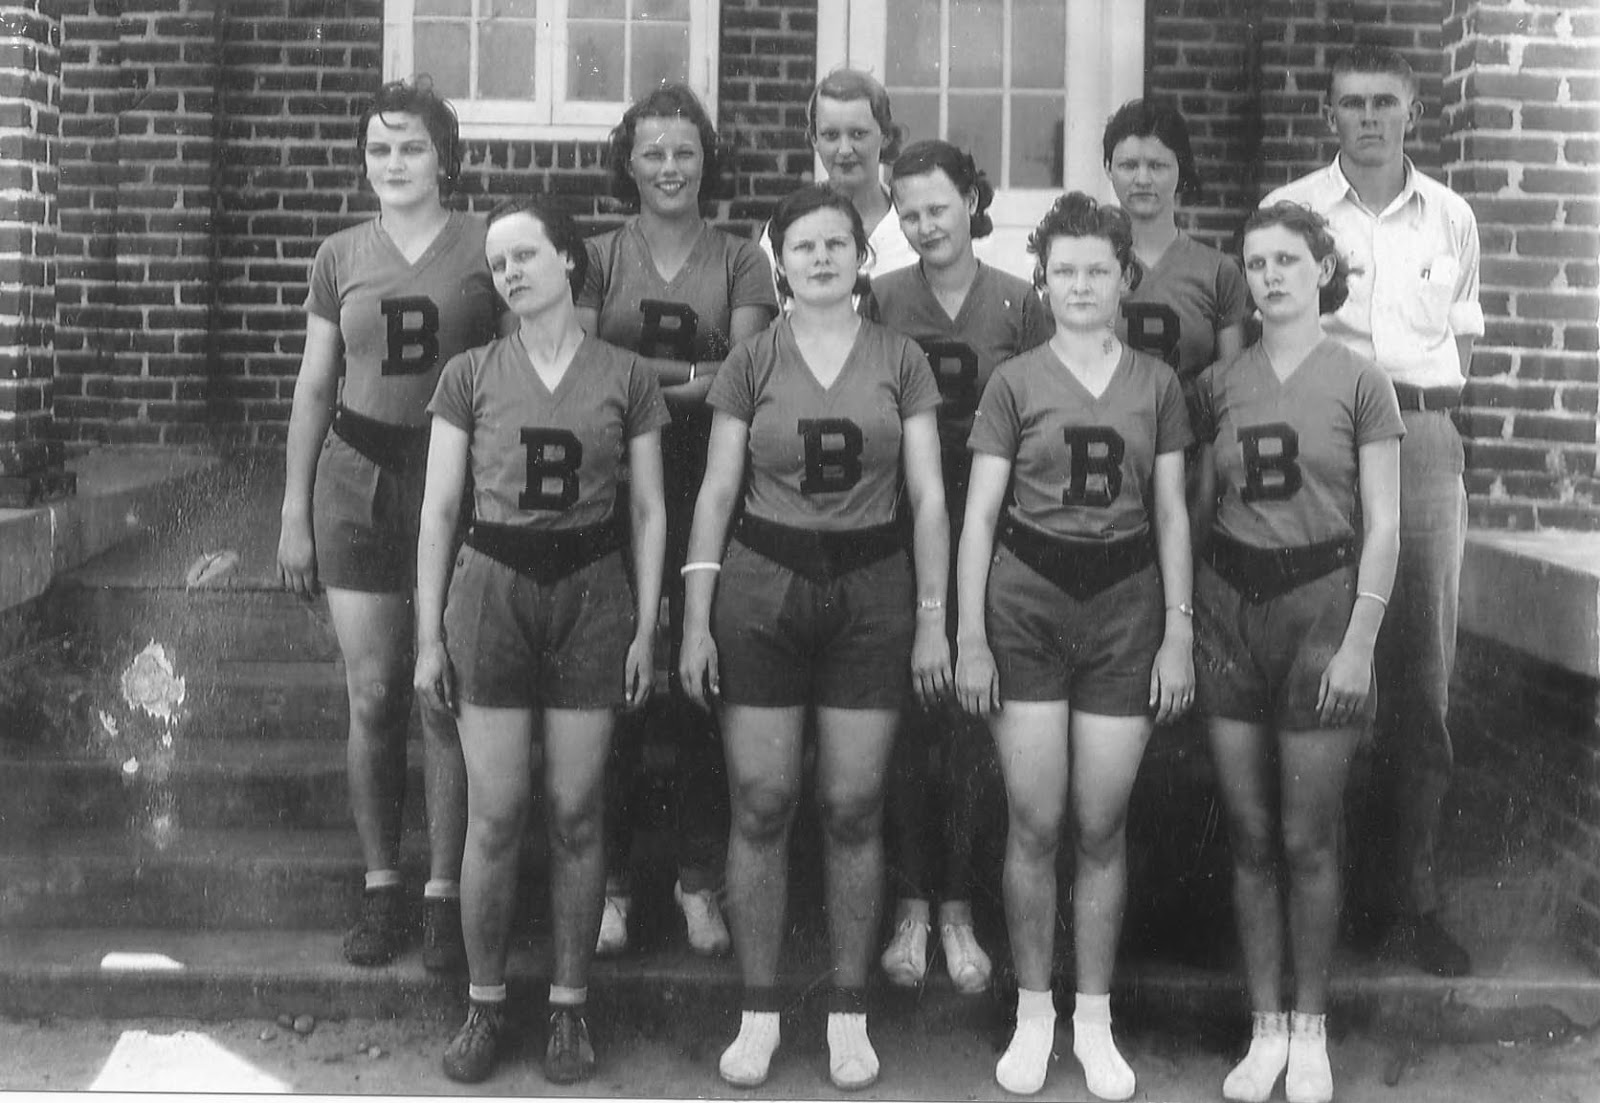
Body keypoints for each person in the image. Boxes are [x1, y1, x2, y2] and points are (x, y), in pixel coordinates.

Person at [678, 184, 949, 1091]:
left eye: (838, 243)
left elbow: (931, 498)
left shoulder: (900, 356)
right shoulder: (753, 357)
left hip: (872, 586)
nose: (822, 258)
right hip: (762, 584)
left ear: (861, 257)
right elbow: (717, 490)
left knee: (853, 805)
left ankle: (847, 1011)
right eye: (804, 246)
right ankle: (758, 1009)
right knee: (761, 799)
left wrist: (933, 620)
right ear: (780, 259)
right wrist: (695, 615)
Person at [413, 195, 668, 1085]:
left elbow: (646, 506)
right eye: (499, 264)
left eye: (527, 254)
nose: (512, 272)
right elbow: (442, 510)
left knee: (575, 811)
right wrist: (428, 637)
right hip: (492, 588)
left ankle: (569, 1006)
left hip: (593, 590)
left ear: (568, 258)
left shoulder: (625, 375)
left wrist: (646, 622)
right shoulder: (471, 374)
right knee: (496, 813)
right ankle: (484, 1007)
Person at [955, 193, 1194, 1100]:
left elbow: (1171, 513)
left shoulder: (1159, 383)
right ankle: (1033, 1009)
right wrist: (970, 635)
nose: (1083, 285)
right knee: (1035, 818)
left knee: (1100, 823)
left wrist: (1178, 632)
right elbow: (979, 516)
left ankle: (1092, 1016)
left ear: (1124, 278)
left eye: (1099, 269)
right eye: (1066, 271)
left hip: (1126, 604)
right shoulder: (1015, 380)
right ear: (1044, 279)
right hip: (1027, 603)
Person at [1264, 44, 1483, 978]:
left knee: (1421, 671)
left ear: (1411, 113)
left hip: (1423, 438)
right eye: (1351, 103)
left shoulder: (1452, 216)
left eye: (1385, 103)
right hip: (1328, 438)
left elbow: (1459, 341)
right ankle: (1329, 891)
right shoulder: (1297, 212)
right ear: (1329, 115)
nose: (1369, 119)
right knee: (1323, 656)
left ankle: (1411, 896)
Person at [275, 78, 498, 973]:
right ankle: (382, 883)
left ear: (444, 154)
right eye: (379, 149)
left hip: (456, 479)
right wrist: (295, 507)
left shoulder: (485, 244)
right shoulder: (340, 253)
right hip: (357, 476)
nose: (395, 163)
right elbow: (315, 385)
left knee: (441, 693)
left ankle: (446, 893)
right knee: (373, 694)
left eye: (411, 146)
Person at [1193, 200, 1403, 1103]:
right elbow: (1197, 510)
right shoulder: (1219, 382)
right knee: (1247, 833)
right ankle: (1265, 1024)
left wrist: (1360, 638)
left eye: (1287, 259)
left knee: (1308, 834)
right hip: (1232, 609)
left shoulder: (1361, 380)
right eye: (1256, 262)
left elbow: (1386, 524)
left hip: (1322, 607)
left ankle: (1311, 1026)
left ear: (1321, 269)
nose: (1271, 275)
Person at [577, 83, 778, 960]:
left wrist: (636, 373)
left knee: (701, 678)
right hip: (614, 476)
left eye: (685, 151)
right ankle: (614, 884)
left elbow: (739, 371)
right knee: (619, 676)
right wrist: (681, 372)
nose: (669, 167)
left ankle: (699, 880)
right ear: (628, 160)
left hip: (710, 471)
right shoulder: (596, 255)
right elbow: (581, 365)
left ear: (708, 160)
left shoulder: (741, 259)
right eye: (653, 151)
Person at [869, 139, 1052, 995]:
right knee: (910, 717)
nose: (924, 224)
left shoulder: (1019, 304)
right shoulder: (878, 299)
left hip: (994, 524)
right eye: (907, 212)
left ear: (973, 200)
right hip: (899, 523)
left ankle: (959, 905)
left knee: (976, 719)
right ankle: (909, 901)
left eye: (938, 207)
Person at [1103, 98, 1247, 388]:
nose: (1142, 179)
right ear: (1108, 168)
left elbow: (1231, 389)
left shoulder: (1217, 272)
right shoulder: (1088, 265)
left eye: (1157, 166)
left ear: (1180, 170)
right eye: (1128, 165)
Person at [760, 68, 919, 296]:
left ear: (885, 136)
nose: (845, 150)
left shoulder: (913, 226)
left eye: (858, 134)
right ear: (814, 139)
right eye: (831, 135)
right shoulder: (788, 226)